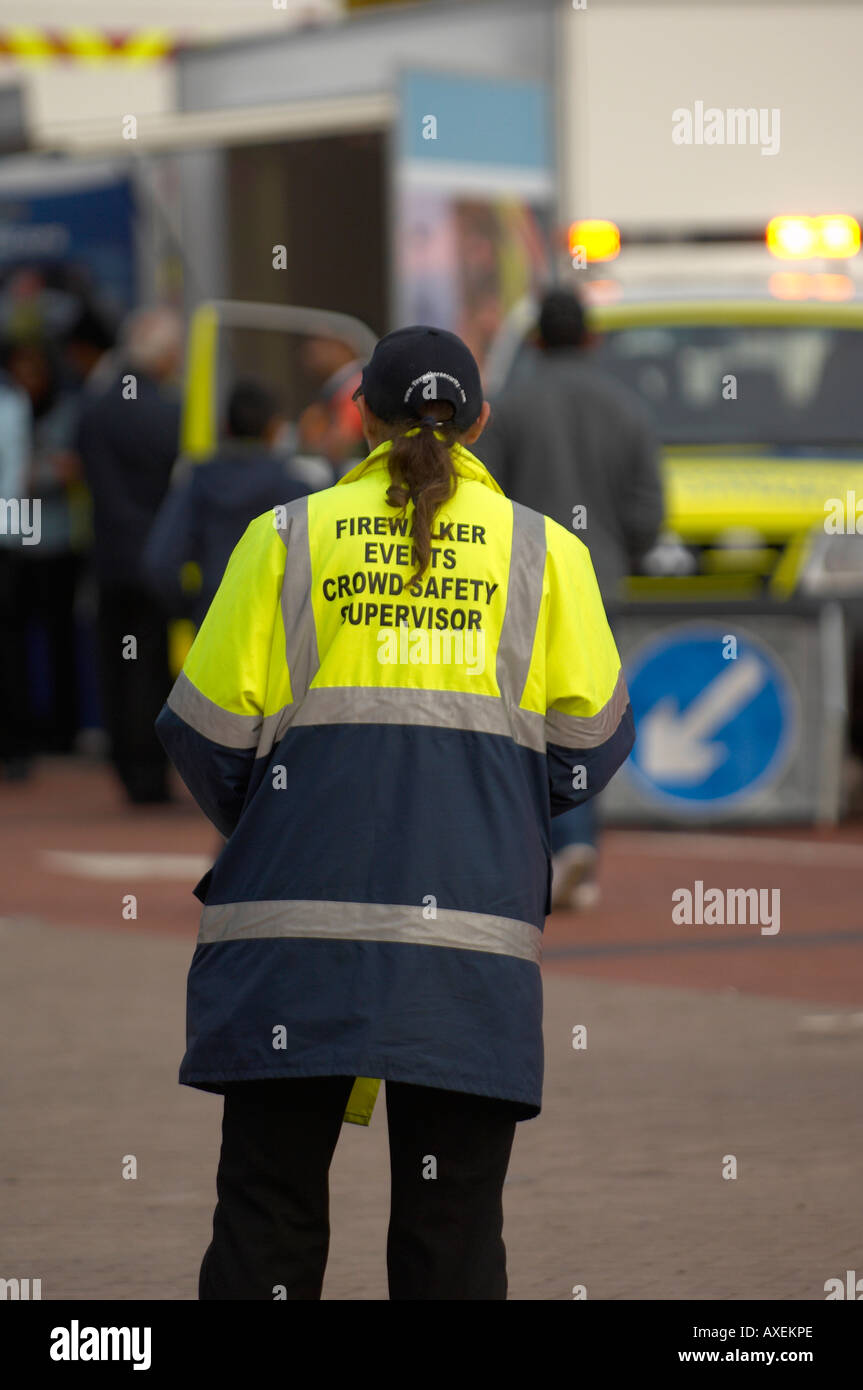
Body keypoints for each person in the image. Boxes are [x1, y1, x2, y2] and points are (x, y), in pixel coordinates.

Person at [156, 325, 634, 1301]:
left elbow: (204, 740)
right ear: (480, 422)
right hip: (467, 949)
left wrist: (287, 821)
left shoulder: (283, 539)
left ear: (357, 416)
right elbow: (586, 756)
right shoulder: (546, 554)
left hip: (288, 941)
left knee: (266, 1213)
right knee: (451, 1231)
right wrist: (489, 815)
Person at [475, 288, 664, 911]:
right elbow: (649, 513)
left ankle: (543, 849)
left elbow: (482, 496)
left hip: (516, 577)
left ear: (534, 341)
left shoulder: (507, 409)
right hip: (599, 580)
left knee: (520, 716)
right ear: (591, 338)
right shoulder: (627, 409)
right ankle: (578, 837)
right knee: (586, 712)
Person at [77, 306, 182, 804]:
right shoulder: (168, 410)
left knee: (117, 662)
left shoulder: (97, 406)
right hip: (156, 556)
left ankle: (126, 766)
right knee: (150, 666)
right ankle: (150, 773)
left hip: (110, 555)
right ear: (163, 356)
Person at [143, 381, 310, 626]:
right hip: (275, 630)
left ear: (226, 426)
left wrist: (194, 609)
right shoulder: (296, 489)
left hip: (213, 625)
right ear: (274, 429)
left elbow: (159, 563)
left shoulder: (197, 481)